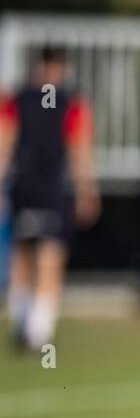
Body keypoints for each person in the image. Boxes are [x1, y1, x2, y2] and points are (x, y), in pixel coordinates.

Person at [0, 46, 99, 351]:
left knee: (24, 252)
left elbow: (5, 143)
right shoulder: (71, 103)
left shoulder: (16, 100)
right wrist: (86, 189)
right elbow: (79, 148)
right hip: (51, 186)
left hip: (25, 183)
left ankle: (23, 321)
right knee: (47, 255)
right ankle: (38, 329)